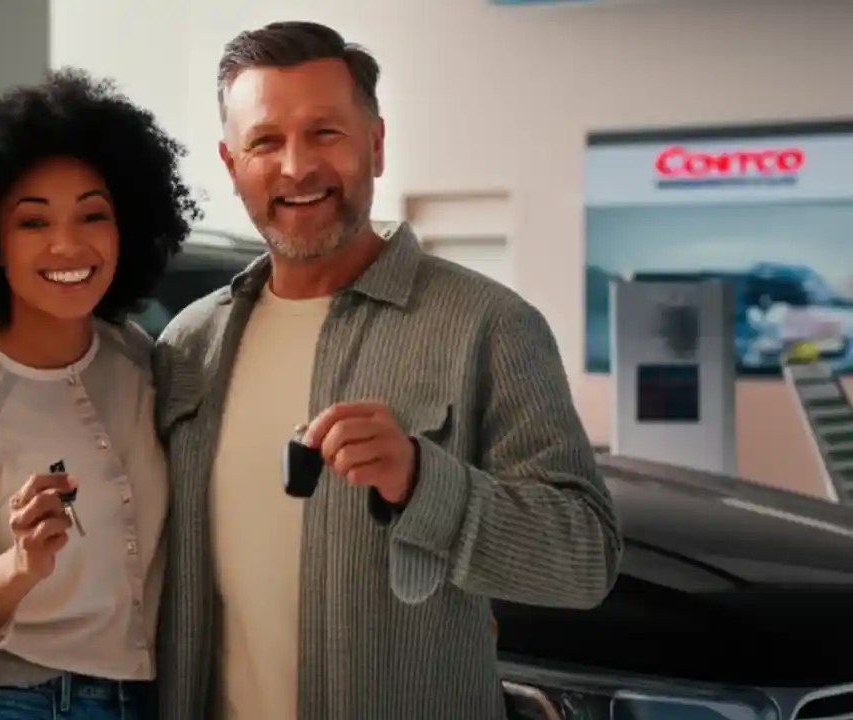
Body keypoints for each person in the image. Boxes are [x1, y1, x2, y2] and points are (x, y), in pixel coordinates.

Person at [150, 21, 622, 720]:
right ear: (231, 164)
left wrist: (422, 483)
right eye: (266, 142)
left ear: (374, 145)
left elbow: (584, 560)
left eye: (325, 134)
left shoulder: (487, 325)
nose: (296, 167)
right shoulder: (190, 344)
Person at [0, 68, 199, 720]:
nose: (69, 244)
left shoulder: (139, 362)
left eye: (93, 214)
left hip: (140, 700)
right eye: (33, 222)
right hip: (2, 703)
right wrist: (18, 568)